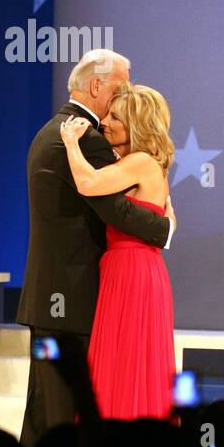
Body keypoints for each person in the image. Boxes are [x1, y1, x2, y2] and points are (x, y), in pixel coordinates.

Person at [17, 50, 175, 447]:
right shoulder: (83, 137)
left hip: (54, 296)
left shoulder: (49, 130)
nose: (122, 100)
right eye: (120, 89)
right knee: (61, 414)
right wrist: (166, 228)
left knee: (45, 409)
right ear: (96, 86)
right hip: (73, 299)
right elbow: (119, 211)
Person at [60, 82, 175, 421]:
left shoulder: (140, 162)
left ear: (136, 125)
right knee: (129, 361)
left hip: (132, 271)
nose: (104, 122)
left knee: (125, 359)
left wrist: (70, 142)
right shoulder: (143, 163)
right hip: (132, 269)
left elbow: (88, 184)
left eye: (114, 117)